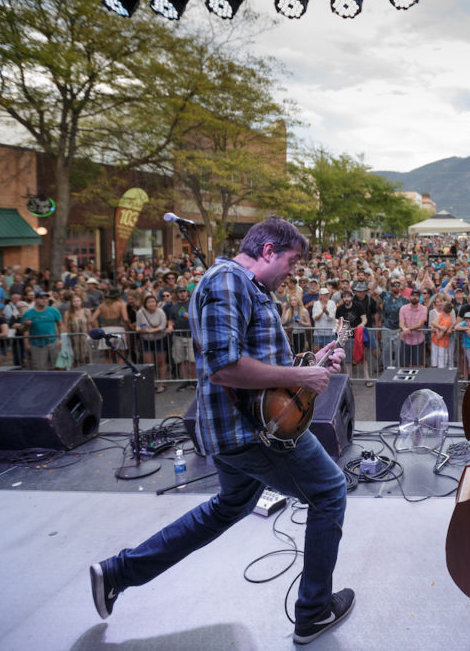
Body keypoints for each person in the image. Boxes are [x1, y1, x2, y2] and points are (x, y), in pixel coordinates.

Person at [89, 217, 353, 645]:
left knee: (228, 507)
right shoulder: (227, 281)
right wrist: (300, 378)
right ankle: (313, 612)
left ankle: (118, 573)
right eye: (290, 260)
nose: (293, 271)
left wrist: (312, 361)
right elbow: (223, 368)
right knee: (329, 491)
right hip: (250, 432)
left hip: (248, 427)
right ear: (268, 250)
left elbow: (262, 363)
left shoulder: (249, 288)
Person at [135, 294, 172, 393]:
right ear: (145, 304)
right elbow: (137, 327)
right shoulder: (140, 313)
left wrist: (151, 331)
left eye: (153, 301)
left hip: (160, 339)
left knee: (161, 362)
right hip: (146, 340)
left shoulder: (160, 312)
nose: (151, 304)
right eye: (149, 302)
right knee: (149, 363)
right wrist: (142, 330)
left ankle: (162, 383)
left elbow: (162, 326)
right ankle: (152, 382)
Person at [20, 293, 63, 370]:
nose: (44, 300)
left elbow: (61, 325)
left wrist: (61, 339)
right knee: (40, 368)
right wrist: (26, 325)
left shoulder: (53, 310)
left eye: (46, 298)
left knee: (57, 366)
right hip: (37, 344)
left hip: (53, 342)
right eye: (41, 298)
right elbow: (22, 330)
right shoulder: (28, 313)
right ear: (35, 300)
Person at [398, 288, 428, 366]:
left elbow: (420, 324)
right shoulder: (403, 308)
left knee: (417, 365)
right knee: (404, 364)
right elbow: (401, 322)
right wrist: (404, 328)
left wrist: (408, 329)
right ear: (409, 297)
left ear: (419, 297)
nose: (415, 297)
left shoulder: (424, 309)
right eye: (413, 295)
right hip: (405, 340)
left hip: (418, 340)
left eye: (417, 296)